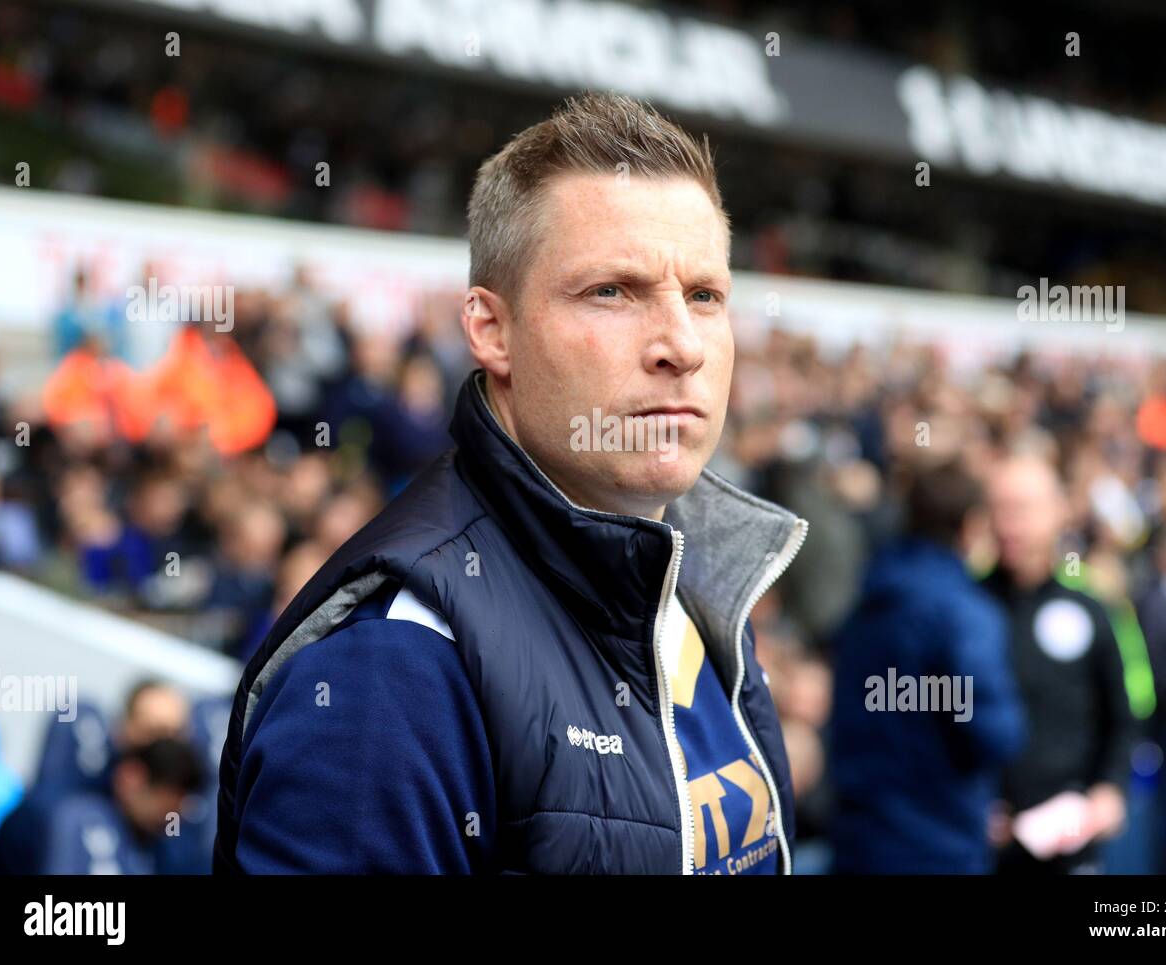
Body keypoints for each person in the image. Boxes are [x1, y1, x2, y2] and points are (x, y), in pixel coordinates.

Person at [214, 93, 808, 875]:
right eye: (612, 291)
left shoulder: (691, 581)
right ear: (491, 330)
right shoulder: (390, 671)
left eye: (704, 295)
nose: (682, 345)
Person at [829, 461, 1027, 873]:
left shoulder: (869, 598)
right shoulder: (963, 612)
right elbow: (996, 732)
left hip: (860, 839)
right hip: (940, 842)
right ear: (972, 525)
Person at [983, 454, 1138, 874]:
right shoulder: (966, 608)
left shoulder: (1091, 609)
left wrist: (1109, 790)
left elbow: (1124, 716)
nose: (1009, 524)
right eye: (999, 509)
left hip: (1072, 844)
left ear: (1058, 512)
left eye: (1023, 510)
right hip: (983, 848)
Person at [0, 737, 203, 875]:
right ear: (131, 778)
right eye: (163, 808)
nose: (168, 821)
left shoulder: (161, 846)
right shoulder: (48, 814)